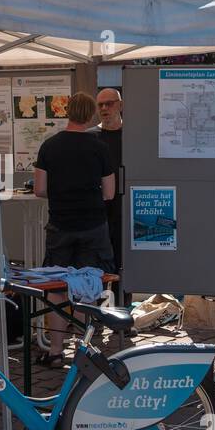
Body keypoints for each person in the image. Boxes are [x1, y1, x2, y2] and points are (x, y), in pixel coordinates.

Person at [33, 92, 115, 365]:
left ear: (67, 112)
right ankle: (85, 348)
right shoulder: (100, 147)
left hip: (60, 224)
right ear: (91, 114)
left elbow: (40, 190)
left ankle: (56, 350)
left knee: (56, 287)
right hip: (93, 224)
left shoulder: (49, 146)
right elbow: (110, 193)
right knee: (89, 285)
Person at [93, 87, 128, 307]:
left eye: (110, 103)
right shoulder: (91, 137)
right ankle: (96, 314)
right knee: (97, 264)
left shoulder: (133, 135)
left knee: (124, 263)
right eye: (100, 105)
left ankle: (121, 312)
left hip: (125, 209)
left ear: (120, 105)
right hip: (98, 210)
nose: (105, 108)